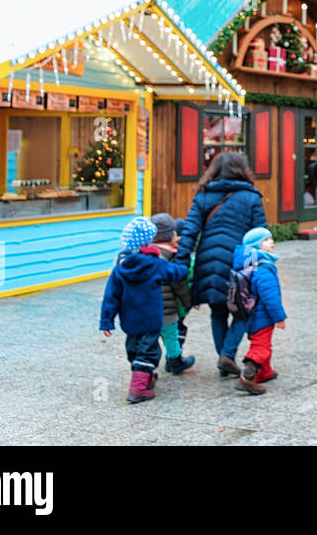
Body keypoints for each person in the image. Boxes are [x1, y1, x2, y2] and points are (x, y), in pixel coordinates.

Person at [174, 152, 267, 378]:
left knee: (218, 310)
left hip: (208, 259)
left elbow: (189, 231)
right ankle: (227, 354)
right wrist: (263, 265)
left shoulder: (203, 195)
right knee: (243, 310)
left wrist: (181, 262)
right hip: (240, 261)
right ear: (242, 169)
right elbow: (261, 235)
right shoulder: (251, 197)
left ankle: (224, 360)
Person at [99, 217, 188, 403]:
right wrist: (184, 262)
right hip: (151, 318)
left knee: (133, 349)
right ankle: (138, 389)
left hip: (129, 319)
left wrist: (106, 321)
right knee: (148, 351)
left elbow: (110, 296)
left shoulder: (120, 267)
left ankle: (144, 376)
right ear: (149, 240)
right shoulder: (155, 263)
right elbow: (177, 273)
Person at [233, 227, 287, 395]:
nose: (271, 242)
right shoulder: (263, 269)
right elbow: (271, 297)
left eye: (271, 238)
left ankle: (265, 372)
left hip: (254, 314)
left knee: (263, 343)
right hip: (262, 316)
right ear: (256, 246)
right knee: (261, 347)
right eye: (265, 240)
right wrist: (279, 318)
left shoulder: (253, 263)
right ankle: (247, 377)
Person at [150, 213, 195, 374]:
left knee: (150, 338)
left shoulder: (144, 254)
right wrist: (189, 301)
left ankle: (145, 367)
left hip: (147, 307)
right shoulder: (173, 256)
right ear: (171, 235)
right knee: (171, 335)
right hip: (167, 308)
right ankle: (175, 361)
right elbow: (179, 283)